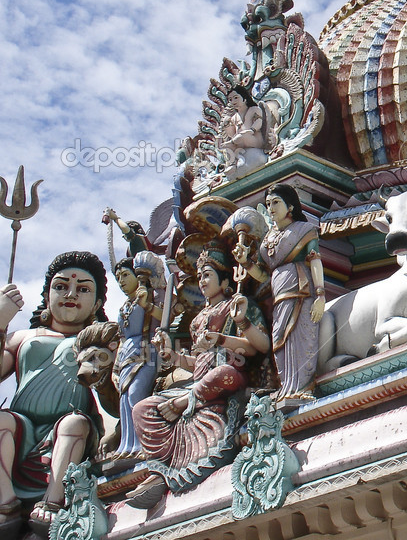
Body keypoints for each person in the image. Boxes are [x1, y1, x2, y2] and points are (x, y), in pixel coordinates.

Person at [127, 246, 270, 507]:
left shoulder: (237, 305)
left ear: (226, 281)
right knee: (142, 409)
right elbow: (199, 364)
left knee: (224, 372)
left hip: (226, 380)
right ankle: (160, 468)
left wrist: (224, 337)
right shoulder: (198, 319)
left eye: (207, 275)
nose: (202, 281)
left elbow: (258, 348)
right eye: (200, 276)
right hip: (201, 384)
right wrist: (173, 356)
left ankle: (183, 403)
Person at [0, 251, 109, 532]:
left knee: (73, 423)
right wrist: (1, 322)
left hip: (72, 428)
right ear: (47, 295)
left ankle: (52, 501)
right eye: (61, 286)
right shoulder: (24, 337)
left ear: (96, 302)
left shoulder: (99, 341)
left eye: (83, 289)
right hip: (21, 429)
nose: (70, 293)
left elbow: (116, 392)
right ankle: (6, 504)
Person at [235, 183, 325, 403]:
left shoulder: (304, 230)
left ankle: (303, 387)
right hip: (280, 297)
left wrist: (321, 295)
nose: (271, 208)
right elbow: (264, 276)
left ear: (290, 206)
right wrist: (245, 262)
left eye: (276, 202)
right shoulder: (267, 240)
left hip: (302, 293)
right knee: (279, 340)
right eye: (267, 204)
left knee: (302, 338)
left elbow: (315, 260)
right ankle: (287, 388)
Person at [110, 257, 158, 461]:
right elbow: (122, 338)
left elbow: (165, 316)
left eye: (125, 275)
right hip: (126, 353)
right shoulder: (123, 307)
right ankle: (127, 445)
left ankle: (145, 442)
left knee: (135, 394)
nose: (121, 281)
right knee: (123, 401)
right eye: (118, 277)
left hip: (146, 349)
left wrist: (147, 305)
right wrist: (114, 367)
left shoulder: (147, 295)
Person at [217, 85, 269, 179]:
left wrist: (252, 130)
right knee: (227, 145)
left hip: (253, 139)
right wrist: (227, 126)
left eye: (236, 97)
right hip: (239, 141)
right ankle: (232, 163)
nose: (233, 101)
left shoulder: (253, 109)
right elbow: (232, 133)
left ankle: (233, 145)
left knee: (243, 135)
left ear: (244, 98)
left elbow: (259, 121)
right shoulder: (234, 117)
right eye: (230, 99)